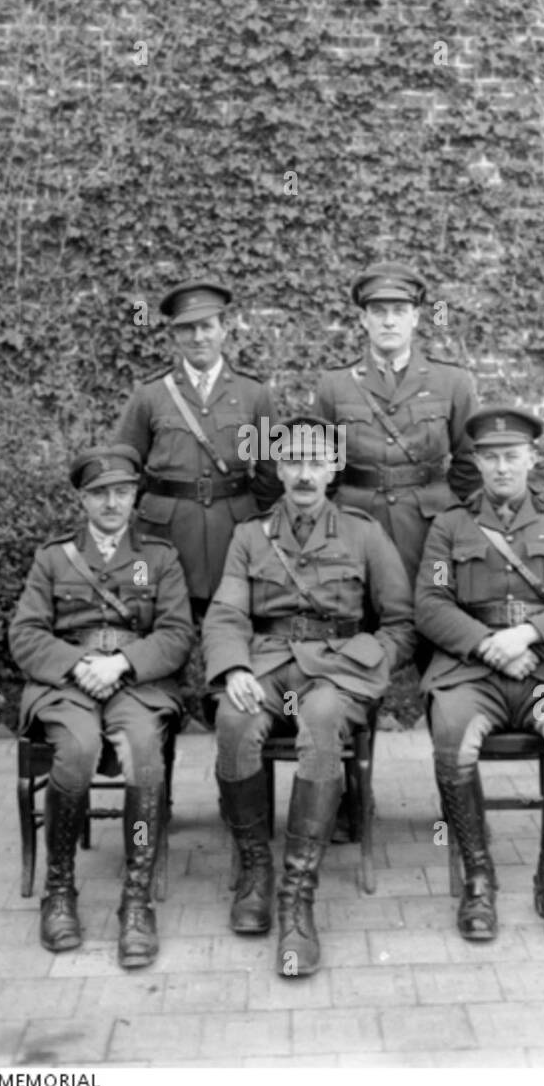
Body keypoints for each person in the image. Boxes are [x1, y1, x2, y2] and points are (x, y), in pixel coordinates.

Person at [203, 414, 415, 977]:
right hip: (269, 661)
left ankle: (298, 897)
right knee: (232, 720)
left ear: (334, 467)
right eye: (293, 461)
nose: (303, 473)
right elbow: (226, 613)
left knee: (320, 719)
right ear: (277, 466)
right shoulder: (250, 535)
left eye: (316, 461)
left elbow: (400, 622)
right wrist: (233, 668)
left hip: (338, 669)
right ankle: (256, 871)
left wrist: (368, 667)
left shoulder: (364, 532)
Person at [415, 407, 544, 945]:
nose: (501, 467)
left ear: (532, 459)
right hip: (471, 670)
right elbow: (430, 604)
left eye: (512, 456)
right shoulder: (448, 527)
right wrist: (488, 645)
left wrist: (527, 637)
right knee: (451, 736)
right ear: (475, 461)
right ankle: (479, 876)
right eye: (490, 457)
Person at [9, 444, 194, 969]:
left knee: (143, 754)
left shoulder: (160, 557)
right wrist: (77, 665)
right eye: (99, 494)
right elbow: (24, 634)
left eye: (121, 491)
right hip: (69, 682)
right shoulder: (53, 557)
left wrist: (124, 664)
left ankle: (135, 900)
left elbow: (177, 635)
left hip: (135, 682)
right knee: (78, 748)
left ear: (135, 494)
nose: (112, 503)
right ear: (81, 498)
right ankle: (60, 890)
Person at [114, 279, 280, 618]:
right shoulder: (151, 395)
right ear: (175, 335)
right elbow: (124, 467)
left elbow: (270, 472)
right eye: (187, 328)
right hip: (166, 530)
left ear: (224, 329)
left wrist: (247, 515)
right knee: (161, 614)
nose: (198, 337)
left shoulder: (253, 395)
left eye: (206, 326)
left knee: (234, 614)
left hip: (232, 528)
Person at [312, 263, 480, 586]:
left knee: (433, 608)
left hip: (428, 525)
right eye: (378, 311)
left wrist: (447, 512)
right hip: (356, 520)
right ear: (364, 319)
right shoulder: (334, 385)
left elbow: (470, 459)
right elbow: (319, 464)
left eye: (400, 311)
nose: (389, 321)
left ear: (415, 318)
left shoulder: (451, 382)